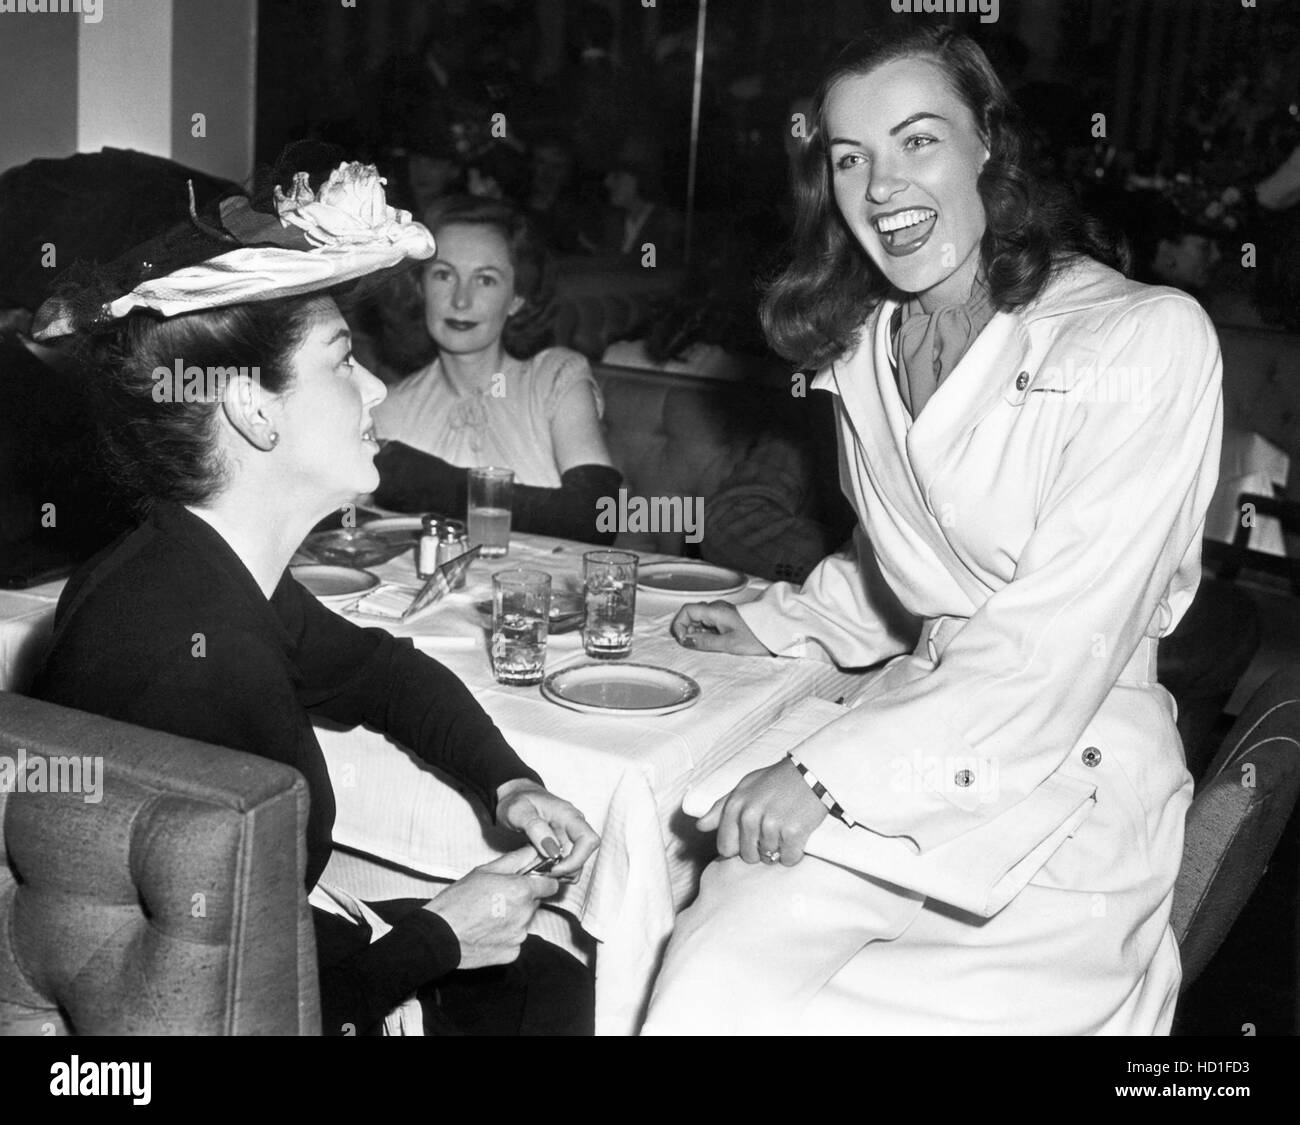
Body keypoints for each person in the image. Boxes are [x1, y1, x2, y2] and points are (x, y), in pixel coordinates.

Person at [644, 26, 1222, 1035]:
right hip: (910, 714)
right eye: (849, 157)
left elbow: (1054, 644)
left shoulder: (1142, 338)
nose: (881, 187)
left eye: (918, 141)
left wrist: (832, 774)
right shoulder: (866, 339)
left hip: (1069, 759)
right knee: (706, 972)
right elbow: (906, 557)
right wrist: (783, 623)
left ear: (988, 146)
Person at [28, 160, 600, 1036]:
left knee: (549, 972)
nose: (375, 388)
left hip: (272, 953)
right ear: (256, 412)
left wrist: (509, 782)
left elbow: (384, 672)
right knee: (550, 986)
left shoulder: (199, 564)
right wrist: (441, 939)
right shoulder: (187, 663)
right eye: (343, 362)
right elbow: (207, 1025)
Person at [372, 195, 622, 545]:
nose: (461, 300)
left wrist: (429, 483)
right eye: (444, 275)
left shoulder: (554, 378)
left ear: (517, 298)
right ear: (419, 287)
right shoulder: (389, 408)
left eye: (485, 280)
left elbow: (597, 516)